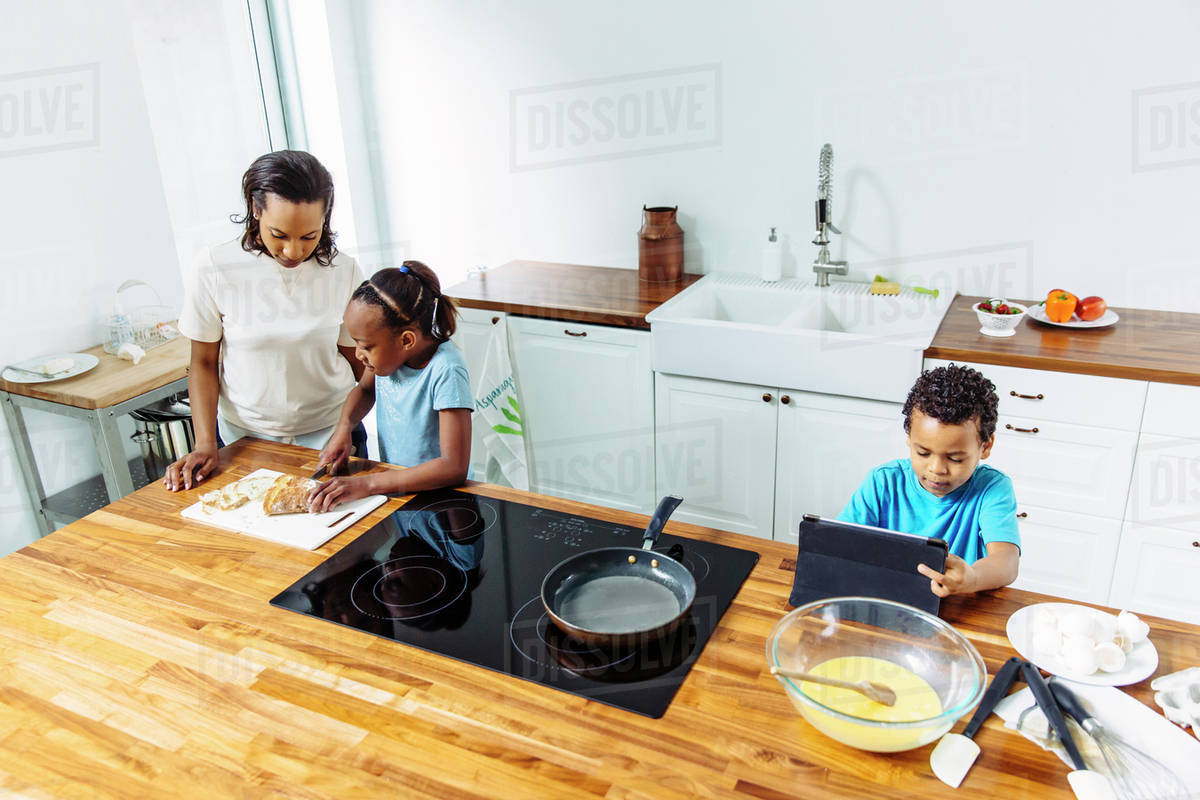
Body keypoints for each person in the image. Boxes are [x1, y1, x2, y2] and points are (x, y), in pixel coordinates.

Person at [165, 150, 367, 491]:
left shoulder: (343, 270)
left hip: (332, 436)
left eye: (309, 236)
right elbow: (202, 362)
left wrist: (357, 425)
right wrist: (204, 443)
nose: (293, 251)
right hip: (245, 439)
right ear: (255, 209)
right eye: (280, 235)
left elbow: (359, 360)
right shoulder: (215, 266)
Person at [838, 364, 1020, 597]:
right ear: (909, 438)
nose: (936, 469)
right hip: (885, 599)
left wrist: (972, 579)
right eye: (923, 453)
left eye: (955, 458)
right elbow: (841, 543)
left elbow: (1006, 561)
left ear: (986, 446)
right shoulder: (883, 481)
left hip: (956, 607)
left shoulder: (992, 489)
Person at [307, 261, 472, 511]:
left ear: (406, 340)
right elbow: (364, 390)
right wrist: (344, 428)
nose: (359, 354)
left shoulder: (446, 370)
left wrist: (368, 484)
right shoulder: (387, 360)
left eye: (366, 346)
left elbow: (453, 467)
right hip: (399, 489)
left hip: (439, 502)